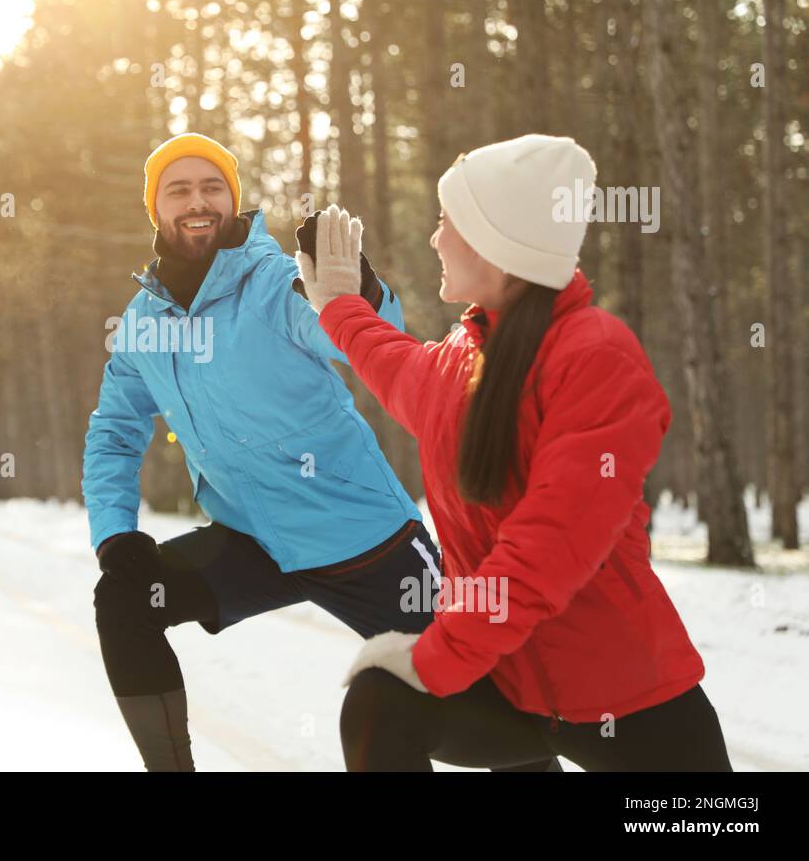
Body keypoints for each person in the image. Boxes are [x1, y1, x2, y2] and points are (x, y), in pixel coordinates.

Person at [295, 134, 733, 771]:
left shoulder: (595, 360)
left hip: (627, 700)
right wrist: (339, 303)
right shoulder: (461, 359)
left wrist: (433, 658)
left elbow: (545, 551)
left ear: (495, 246)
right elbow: (396, 368)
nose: (435, 239)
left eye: (448, 222)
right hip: (506, 691)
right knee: (378, 702)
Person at [83, 131, 438, 771]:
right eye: (180, 189)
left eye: (212, 187)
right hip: (254, 543)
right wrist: (115, 534)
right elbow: (115, 430)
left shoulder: (277, 284)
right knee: (125, 597)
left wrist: (353, 291)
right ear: (156, 209)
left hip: (364, 539)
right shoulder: (143, 320)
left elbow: (366, 339)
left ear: (233, 199)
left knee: (481, 695)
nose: (198, 201)